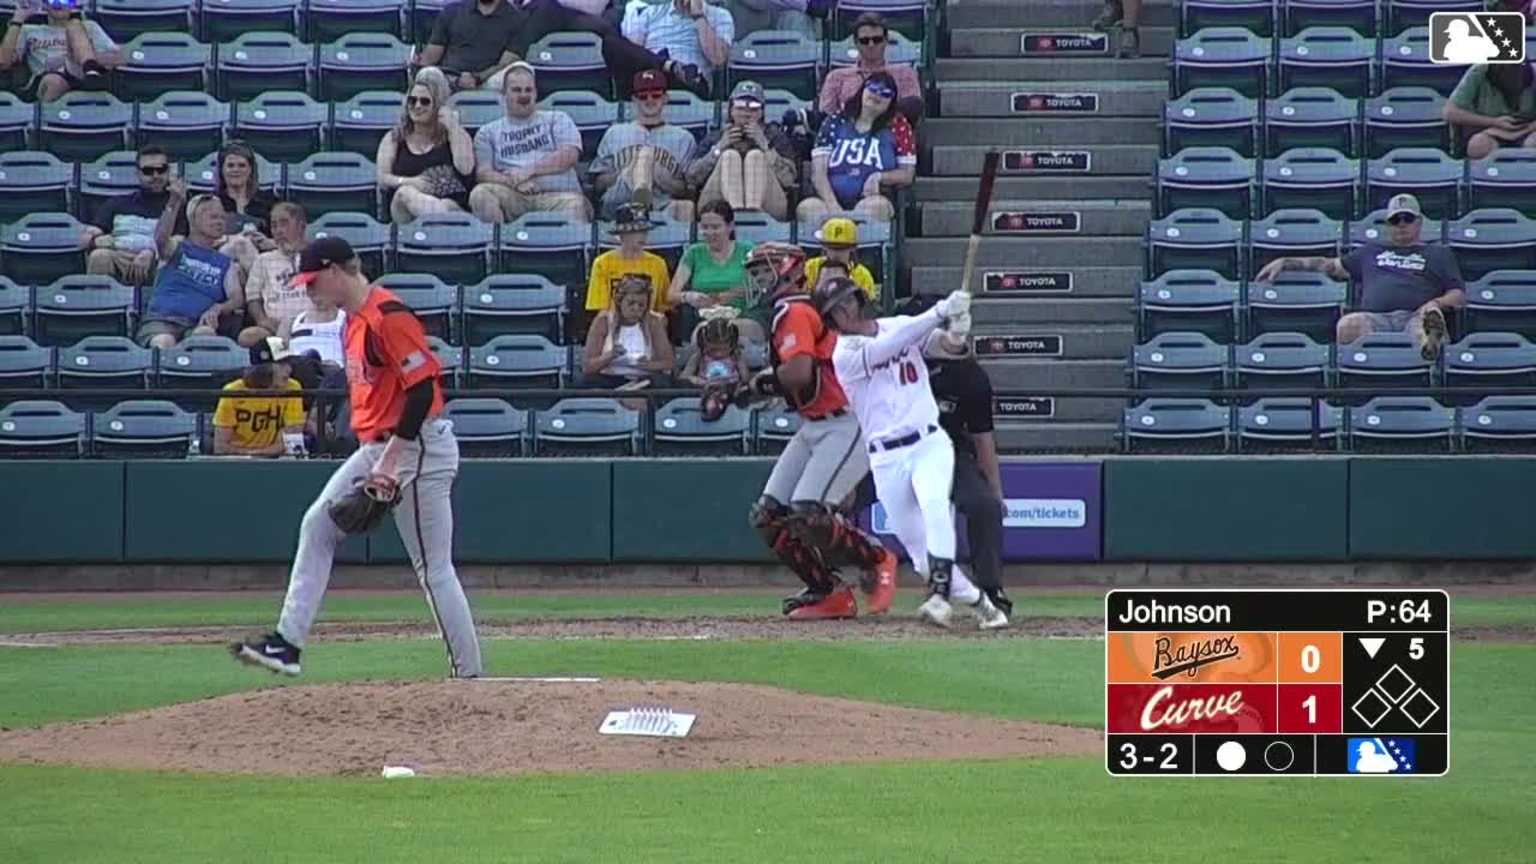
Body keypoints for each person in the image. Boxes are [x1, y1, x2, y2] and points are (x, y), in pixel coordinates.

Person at [231, 236, 482, 679]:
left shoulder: (388, 316)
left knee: (433, 568)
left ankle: (468, 677)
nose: (309, 291)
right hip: (381, 446)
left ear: (335, 271)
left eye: (313, 282)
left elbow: (423, 391)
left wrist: (391, 460)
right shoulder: (354, 321)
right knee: (318, 524)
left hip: (416, 445)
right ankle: (287, 643)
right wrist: (380, 455)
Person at [821, 278, 1008, 630]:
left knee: (935, 504)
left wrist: (956, 333)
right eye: (834, 309)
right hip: (884, 457)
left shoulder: (898, 326)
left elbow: (947, 349)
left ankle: (938, 595)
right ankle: (982, 604)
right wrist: (939, 311)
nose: (843, 311)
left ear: (860, 299)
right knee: (922, 557)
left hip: (928, 442)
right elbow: (893, 345)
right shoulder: (844, 354)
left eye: (846, 301)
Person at [736, 242, 897, 620]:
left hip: (844, 421)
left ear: (789, 269)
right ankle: (828, 591)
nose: (759, 279)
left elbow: (798, 373)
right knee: (769, 516)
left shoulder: (794, 309)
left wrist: (758, 385)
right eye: (756, 272)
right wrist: (742, 390)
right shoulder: (788, 312)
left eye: (765, 270)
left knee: (809, 510)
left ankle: (876, 559)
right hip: (814, 424)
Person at [1253, 194, 1463, 361]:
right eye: (1395, 220)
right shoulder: (1370, 252)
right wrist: (1286, 262)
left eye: (1407, 219)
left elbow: (1458, 295)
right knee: (1349, 324)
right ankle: (1360, 374)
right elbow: (1330, 266)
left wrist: (1436, 302)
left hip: (1416, 315)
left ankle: (1429, 359)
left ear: (1419, 222)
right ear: (1388, 224)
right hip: (1375, 318)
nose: (1401, 224)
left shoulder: (1438, 254)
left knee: (1427, 324)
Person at [901, 297, 1010, 617]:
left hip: (948, 452)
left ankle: (990, 590)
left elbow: (983, 437)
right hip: (893, 450)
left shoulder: (969, 376)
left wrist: (996, 488)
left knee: (985, 506)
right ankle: (835, 584)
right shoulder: (891, 360)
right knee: (830, 504)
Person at [469, 62, 591, 221]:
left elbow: (569, 156)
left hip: (559, 197)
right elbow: (483, 173)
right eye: (516, 90)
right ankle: (499, 244)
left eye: (529, 90)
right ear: (503, 94)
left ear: (536, 93)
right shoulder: (488, 132)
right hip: (513, 197)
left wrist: (529, 170)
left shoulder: (557, 118)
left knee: (575, 205)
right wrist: (513, 182)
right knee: (481, 194)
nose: (524, 96)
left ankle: (568, 246)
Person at [800, 71, 916, 223]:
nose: (877, 95)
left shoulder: (898, 126)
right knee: (807, 208)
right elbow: (818, 174)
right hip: (830, 200)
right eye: (872, 88)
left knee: (878, 207)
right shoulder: (835, 122)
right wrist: (834, 208)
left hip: (871, 199)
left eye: (886, 93)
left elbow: (907, 174)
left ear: (891, 103)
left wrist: (880, 177)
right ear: (862, 90)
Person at [136, 189, 245, 350]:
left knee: (206, 337)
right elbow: (160, 239)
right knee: (165, 342)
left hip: (196, 325)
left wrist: (219, 307)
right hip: (161, 321)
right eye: (213, 217)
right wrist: (174, 201)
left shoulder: (225, 262)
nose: (220, 222)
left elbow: (236, 298)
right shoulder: (176, 247)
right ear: (193, 220)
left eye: (222, 217)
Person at [591, 68, 697, 222]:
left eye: (656, 95)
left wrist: (660, 178)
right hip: (619, 202)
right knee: (645, 155)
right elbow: (598, 184)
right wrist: (629, 173)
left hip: (661, 202)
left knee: (686, 207)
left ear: (666, 98)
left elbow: (688, 190)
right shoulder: (615, 132)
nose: (649, 100)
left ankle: (686, 246)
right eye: (642, 96)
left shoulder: (683, 138)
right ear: (634, 99)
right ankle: (640, 205)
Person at [686, 80, 798, 221]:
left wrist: (765, 146)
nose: (746, 113)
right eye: (740, 107)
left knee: (755, 156)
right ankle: (737, 215)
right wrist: (719, 148)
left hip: (769, 205)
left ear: (762, 112)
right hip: (717, 206)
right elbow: (692, 178)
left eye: (753, 108)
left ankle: (750, 216)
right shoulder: (717, 135)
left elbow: (788, 180)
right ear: (731, 110)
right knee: (730, 156)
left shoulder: (774, 135)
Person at [377, 71, 475, 224]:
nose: (417, 106)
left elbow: (466, 168)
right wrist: (408, 181)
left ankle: (438, 230)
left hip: (452, 208)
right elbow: (382, 178)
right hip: (406, 213)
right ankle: (441, 228)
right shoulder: (394, 138)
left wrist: (453, 127)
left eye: (425, 101)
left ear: (437, 106)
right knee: (406, 193)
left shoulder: (455, 135)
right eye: (412, 100)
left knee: (447, 205)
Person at [83, 146, 186, 287]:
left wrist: (151, 252)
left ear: (168, 171)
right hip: (120, 257)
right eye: (148, 171)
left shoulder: (177, 206)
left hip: (157, 261)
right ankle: (99, 307)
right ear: (138, 173)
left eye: (161, 169)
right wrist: (94, 240)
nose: (155, 175)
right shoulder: (117, 203)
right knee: (99, 256)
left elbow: (179, 242)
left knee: (168, 263)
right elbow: (86, 237)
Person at [668, 200, 764, 342]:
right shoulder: (694, 253)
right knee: (706, 333)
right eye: (705, 227)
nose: (709, 233)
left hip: (744, 318)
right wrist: (688, 296)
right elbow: (671, 295)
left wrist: (736, 293)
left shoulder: (748, 251)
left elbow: (763, 286)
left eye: (715, 227)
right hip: (704, 320)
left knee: (733, 332)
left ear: (730, 226)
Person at [0, 0, 119, 103]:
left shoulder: (90, 27)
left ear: (73, 4)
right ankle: (46, 122)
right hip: (49, 77)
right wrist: (17, 20)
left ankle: (90, 72)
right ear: (45, 4)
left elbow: (116, 58)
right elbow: (4, 62)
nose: (58, 3)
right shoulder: (29, 31)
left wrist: (71, 58)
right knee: (54, 82)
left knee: (75, 25)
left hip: (84, 74)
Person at [816, 12, 923, 123]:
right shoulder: (836, 77)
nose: (871, 45)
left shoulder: (905, 74)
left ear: (886, 40)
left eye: (877, 40)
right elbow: (826, 117)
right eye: (864, 41)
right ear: (856, 42)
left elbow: (912, 114)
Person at [212, 337, 307, 458]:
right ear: (263, 369)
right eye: (282, 364)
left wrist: (254, 455)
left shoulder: (293, 387)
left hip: (274, 461)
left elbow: (290, 441)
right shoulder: (233, 391)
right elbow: (220, 447)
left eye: (289, 364)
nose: (289, 369)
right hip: (235, 462)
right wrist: (249, 457)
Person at [579, 273, 675, 390]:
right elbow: (587, 366)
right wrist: (609, 356)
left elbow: (669, 362)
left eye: (641, 305)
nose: (636, 309)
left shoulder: (653, 322)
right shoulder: (603, 321)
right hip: (608, 379)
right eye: (631, 303)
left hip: (643, 381)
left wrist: (648, 365)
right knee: (588, 382)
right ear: (619, 302)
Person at [238, 201, 310, 348]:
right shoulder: (263, 260)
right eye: (274, 225)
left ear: (301, 226)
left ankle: (286, 361)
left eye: (284, 224)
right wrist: (262, 320)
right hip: (274, 328)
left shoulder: (316, 256)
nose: (278, 230)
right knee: (247, 337)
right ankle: (282, 360)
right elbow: (253, 297)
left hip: (310, 324)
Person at [585, 202, 672, 315]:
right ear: (621, 234)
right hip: (614, 324)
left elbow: (663, 309)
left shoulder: (658, 264)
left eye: (644, 230)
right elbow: (600, 311)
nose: (642, 236)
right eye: (635, 231)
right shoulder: (602, 263)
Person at [622, 0, 733, 84]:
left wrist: (699, 17)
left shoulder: (720, 16)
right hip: (652, 81)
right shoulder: (650, 13)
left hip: (692, 82)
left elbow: (719, 59)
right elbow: (634, 55)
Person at [1442, 62, 1536, 158]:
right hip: (1488, 129)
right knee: (1478, 146)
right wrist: (1494, 122)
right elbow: (1449, 112)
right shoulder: (1480, 71)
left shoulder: (1533, 73)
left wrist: (1527, 128)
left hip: (1528, 129)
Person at [804, 216, 878, 302]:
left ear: (853, 248)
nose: (836, 254)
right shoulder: (811, 267)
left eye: (842, 248)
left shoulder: (862, 275)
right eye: (832, 248)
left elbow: (869, 308)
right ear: (824, 247)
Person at [680, 316, 748, 389]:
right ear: (704, 344)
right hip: (703, 388)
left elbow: (746, 378)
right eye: (713, 349)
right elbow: (683, 377)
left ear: (732, 345)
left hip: (730, 388)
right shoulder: (700, 355)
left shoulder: (735, 355)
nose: (718, 354)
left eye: (724, 349)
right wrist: (693, 379)